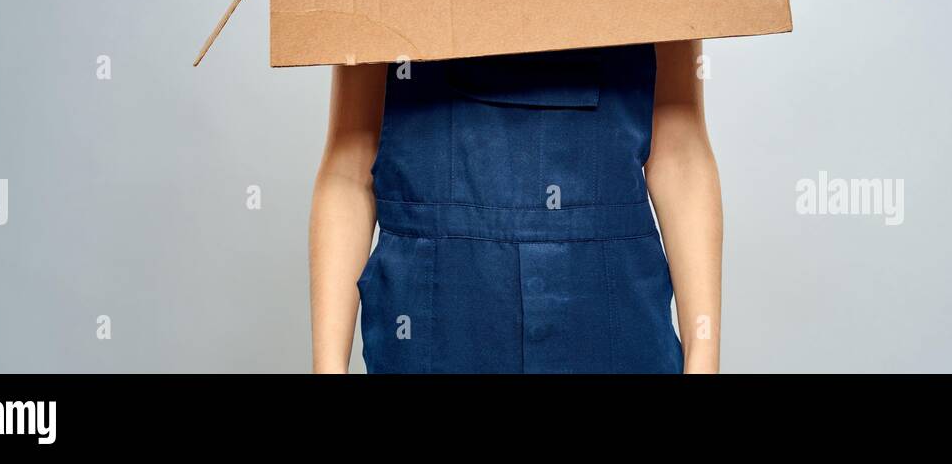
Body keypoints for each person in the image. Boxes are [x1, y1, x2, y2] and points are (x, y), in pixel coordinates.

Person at [308, 39, 722, 373]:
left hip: (610, 317)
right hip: (432, 322)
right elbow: (350, 165)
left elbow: (679, 152)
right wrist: (327, 367)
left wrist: (703, 360)